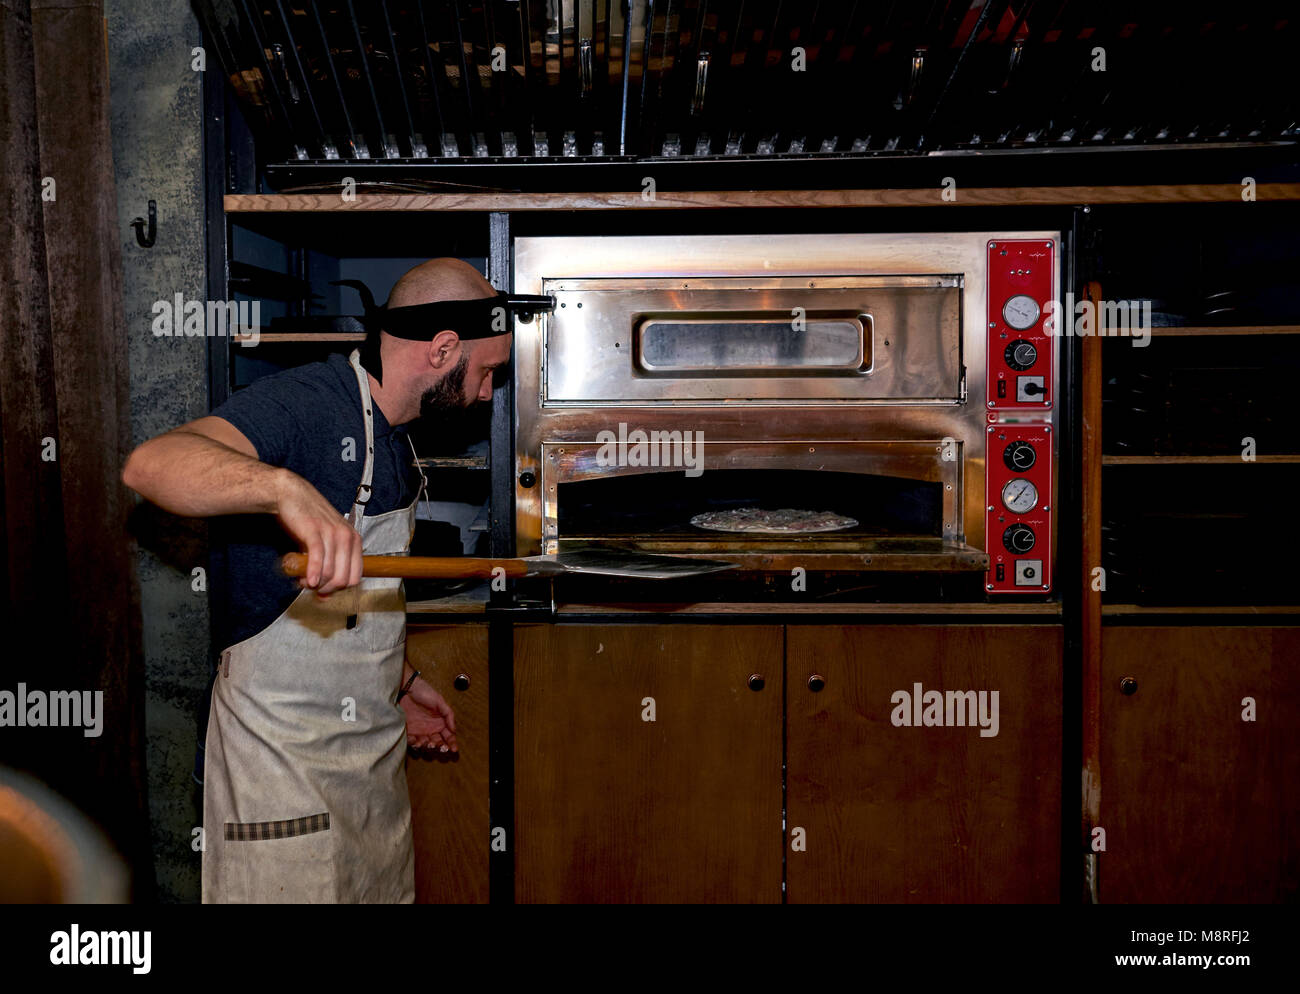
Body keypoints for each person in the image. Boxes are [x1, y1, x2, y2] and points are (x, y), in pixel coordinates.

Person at [122, 258, 513, 902]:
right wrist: (283, 488)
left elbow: (354, 597)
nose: (486, 393)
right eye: (487, 371)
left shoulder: (398, 438)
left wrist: (399, 679)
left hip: (371, 776)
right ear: (443, 350)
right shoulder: (311, 401)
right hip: (281, 774)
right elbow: (152, 464)